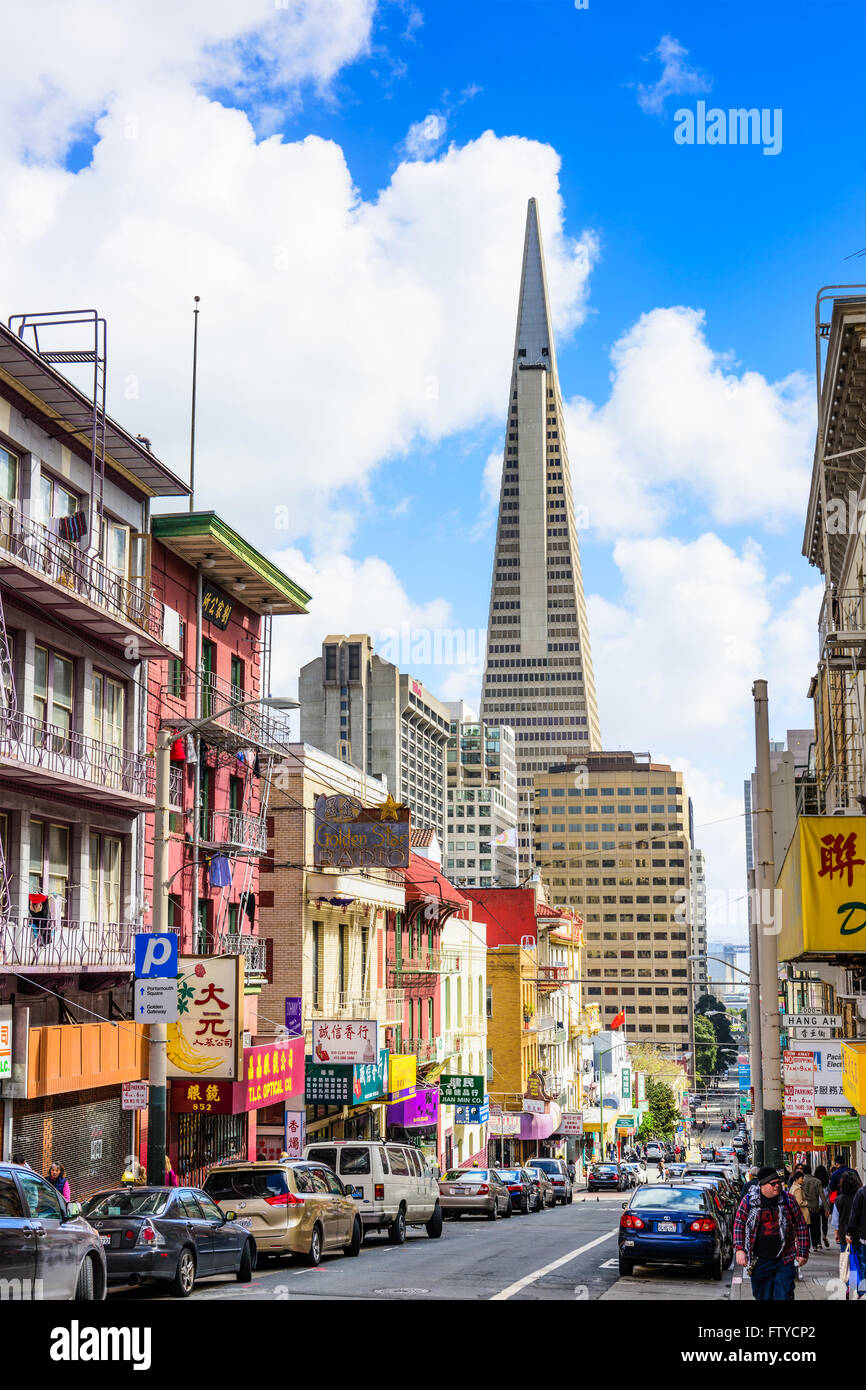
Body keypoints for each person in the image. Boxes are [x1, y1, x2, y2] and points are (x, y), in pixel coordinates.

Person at [733, 1166, 810, 1301]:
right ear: (762, 1185)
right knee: (763, 1295)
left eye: (778, 1183)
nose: (777, 1186)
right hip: (760, 1260)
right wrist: (740, 1250)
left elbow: (801, 1226)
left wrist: (802, 1251)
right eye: (773, 1184)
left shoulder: (788, 1200)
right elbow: (739, 1224)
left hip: (784, 1258)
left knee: (784, 1294)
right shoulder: (749, 1201)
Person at [832, 1172, 861, 1246]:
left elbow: (835, 1220)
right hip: (860, 1234)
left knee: (846, 1255)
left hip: (844, 1234)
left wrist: (836, 1233)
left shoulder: (838, 1200)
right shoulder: (861, 1197)